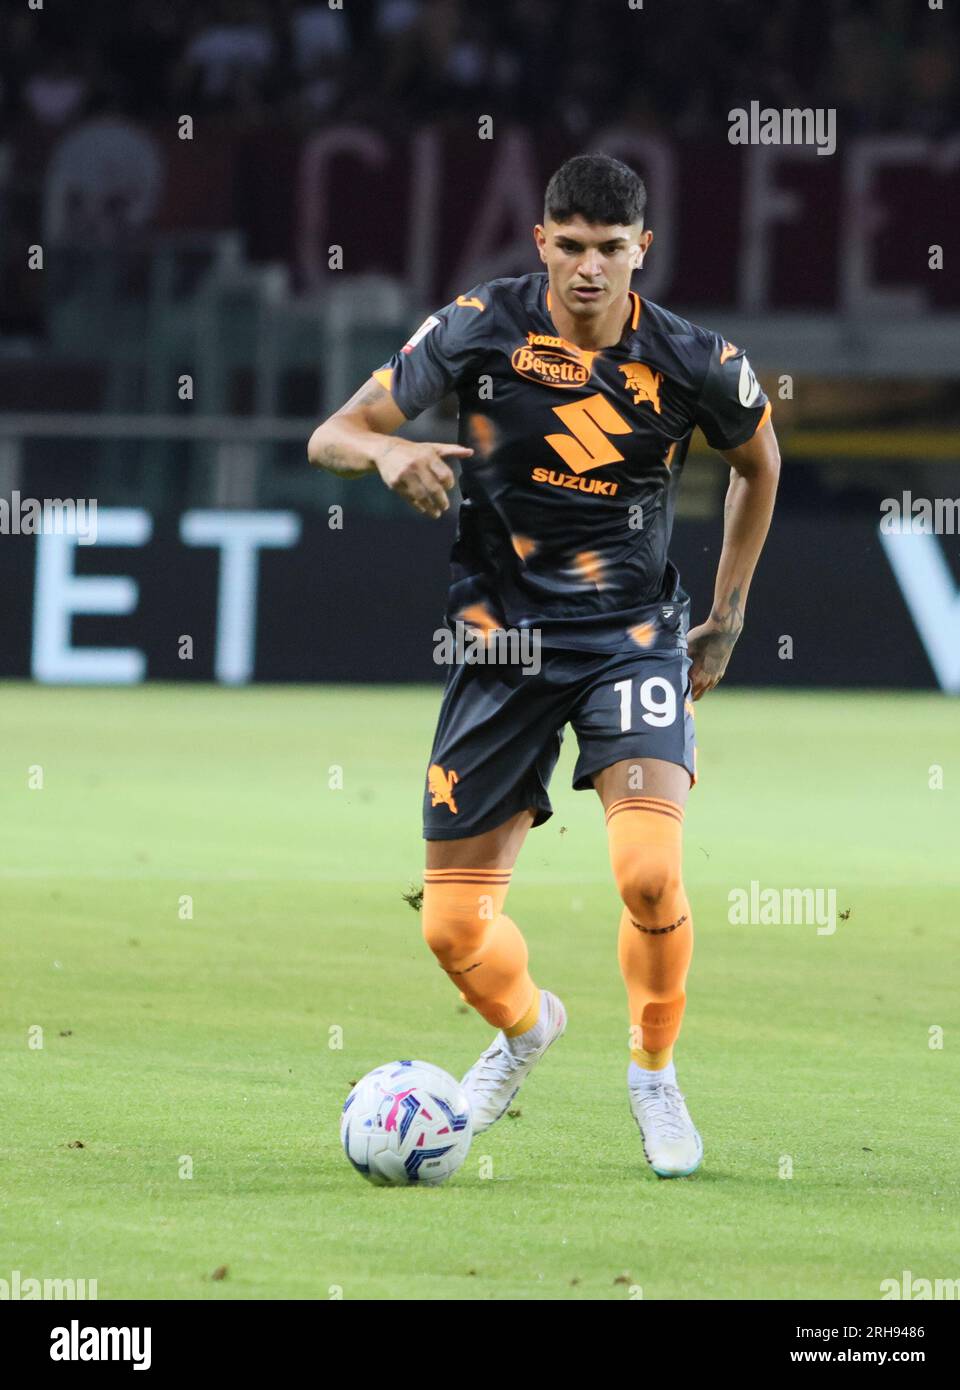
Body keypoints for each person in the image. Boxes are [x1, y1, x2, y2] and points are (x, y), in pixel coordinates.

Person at [308, 153, 780, 1178]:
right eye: (569, 247)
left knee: (649, 872)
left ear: (639, 252)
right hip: (500, 645)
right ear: (542, 245)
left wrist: (730, 614)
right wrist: (388, 453)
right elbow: (334, 433)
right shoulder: (478, 325)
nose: (588, 270)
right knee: (452, 932)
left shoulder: (695, 360)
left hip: (632, 640)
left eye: (610, 250)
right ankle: (527, 1028)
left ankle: (653, 1070)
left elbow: (759, 458)